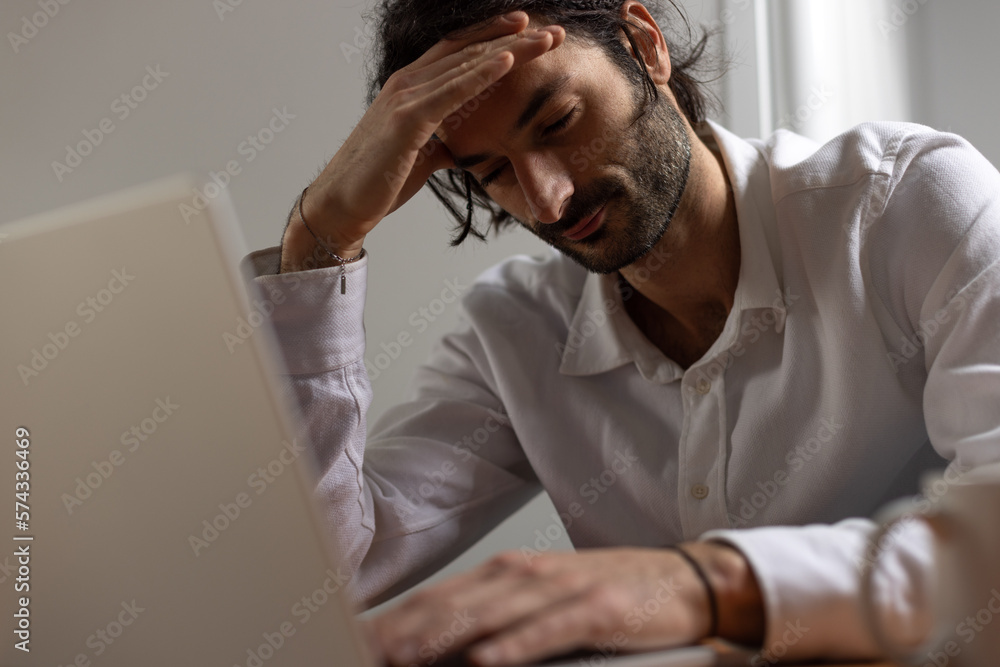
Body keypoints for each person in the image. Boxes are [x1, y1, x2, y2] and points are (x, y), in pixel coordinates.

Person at [241, 0, 1000, 664]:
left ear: (644, 43)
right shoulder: (516, 333)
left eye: (558, 122)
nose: (547, 200)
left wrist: (702, 586)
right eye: (492, 173)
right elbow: (318, 578)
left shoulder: (906, 207)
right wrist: (321, 240)